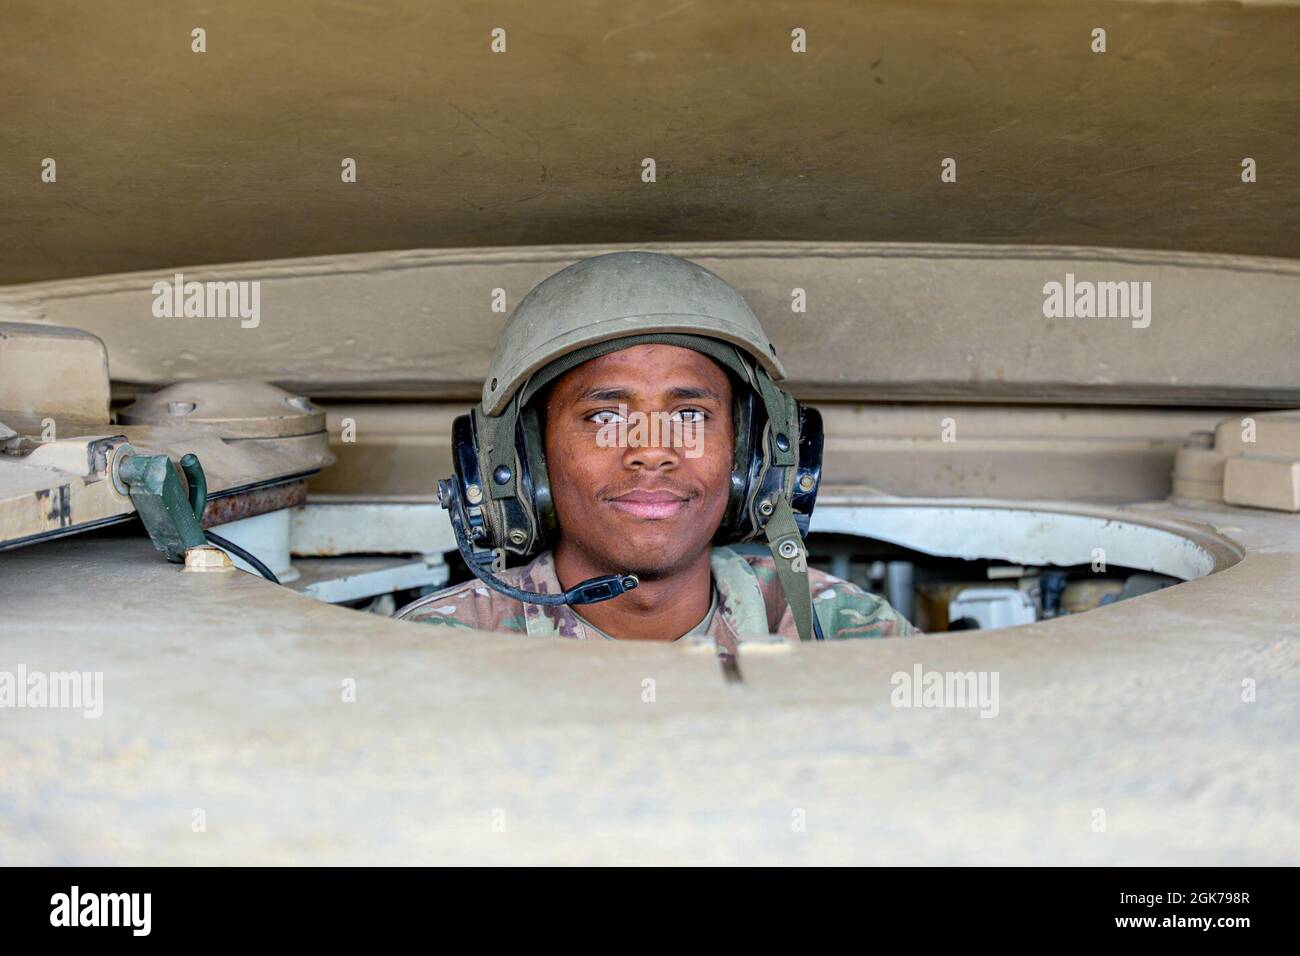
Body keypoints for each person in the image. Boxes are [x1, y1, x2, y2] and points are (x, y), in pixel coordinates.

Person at [395, 251, 920, 642]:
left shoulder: (846, 633)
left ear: (754, 460)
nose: (651, 451)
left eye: (690, 415)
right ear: (524, 460)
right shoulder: (438, 648)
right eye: (605, 416)